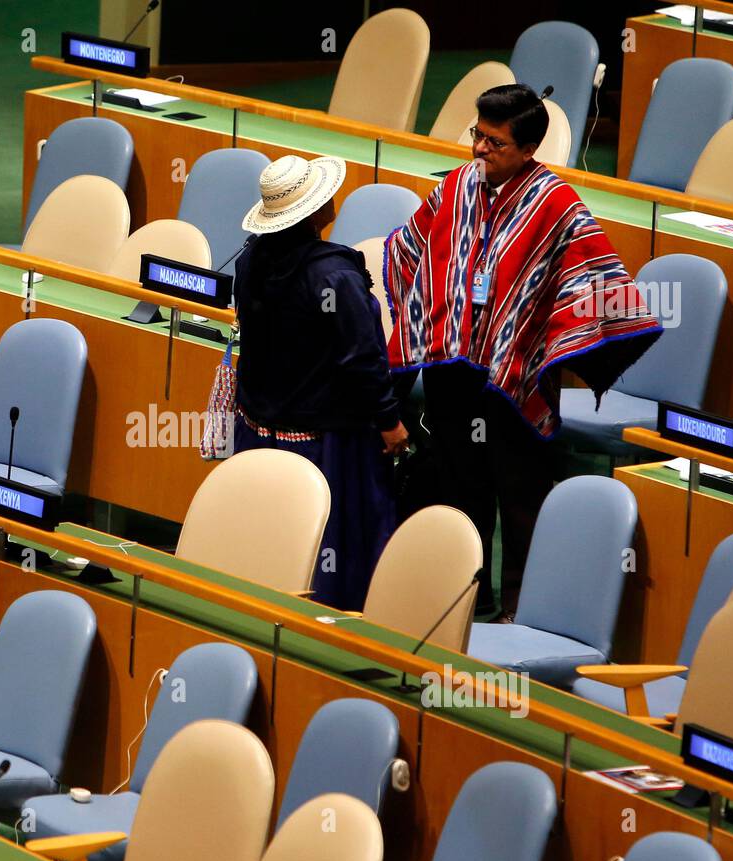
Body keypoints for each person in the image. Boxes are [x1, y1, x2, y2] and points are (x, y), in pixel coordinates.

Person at [382, 85, 662, 621]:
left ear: (529, 149)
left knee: (520, 500)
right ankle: (465, 604)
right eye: (477, 136)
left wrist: (560, 334)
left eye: (495, 143)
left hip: (517, 377)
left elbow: (596, 275)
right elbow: (411, 247)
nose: (480, 151)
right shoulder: (457, 185)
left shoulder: (558, 202)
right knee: (458, 490)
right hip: (453, 370)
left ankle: (518, 612)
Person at [233, 154, 408, 611]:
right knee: (330, 546)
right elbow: (362, 357)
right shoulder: (334, 275)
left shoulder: (250, 261)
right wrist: (389, 420)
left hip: (258, 432)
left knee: (266, 536)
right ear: (316, 211)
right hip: (325, 443)